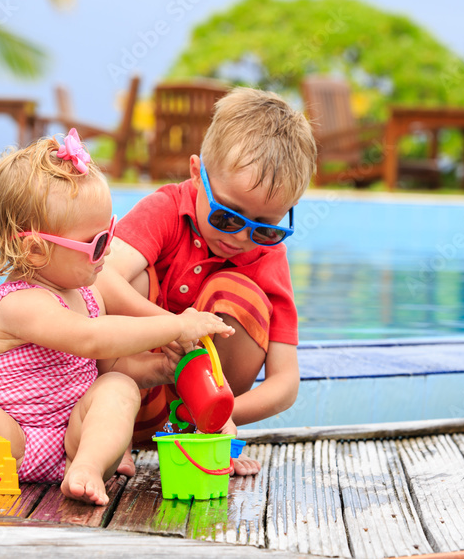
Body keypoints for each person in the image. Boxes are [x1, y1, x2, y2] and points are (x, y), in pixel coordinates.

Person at [0, 131, 234, 506]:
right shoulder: (22, 303)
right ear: (34, 250)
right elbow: (91, 339)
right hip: (6, 439)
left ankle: (88, 467)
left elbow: (109, 362)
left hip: (72, 440)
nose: (109, 247)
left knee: (118, 387)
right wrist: (177, 324)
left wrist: (162, 367)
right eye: (96, 242)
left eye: (109, 231)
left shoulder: (88, 290)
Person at [96, 87, 317, 475]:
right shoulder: (165, 210)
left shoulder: (268, 255)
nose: (240, 237)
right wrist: (173, 328)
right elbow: (101, 281)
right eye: (228, 216)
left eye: (264, 228)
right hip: (129, 394)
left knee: (237, 291)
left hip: (201, 413)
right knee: (134, 275)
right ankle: (113, 436)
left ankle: (201, 433)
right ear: (198, 174)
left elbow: (286, 383)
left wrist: (222, 414)